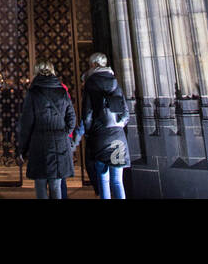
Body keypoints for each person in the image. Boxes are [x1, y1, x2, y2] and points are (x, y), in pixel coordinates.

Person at [16, 60, 76, 199]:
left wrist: (22, 150)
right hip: (59, 142)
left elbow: (26, 123)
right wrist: (63, 133)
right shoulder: (62, 91)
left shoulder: (33, 93)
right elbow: (72, 118)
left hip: (39, 143)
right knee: (56, 185)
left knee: (40, 183)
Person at [73, 52, 130, 199]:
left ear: (93, 65)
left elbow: (87, 115)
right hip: (118, 136)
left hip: (100, 137)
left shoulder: (90, 84)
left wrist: (86, 133)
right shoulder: (115, 82)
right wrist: (117, 126)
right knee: (118, 181)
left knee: (103, 179)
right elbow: (126, 113)